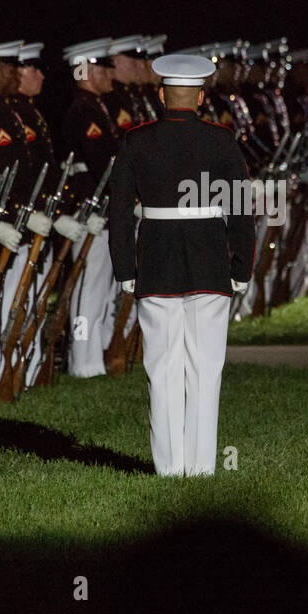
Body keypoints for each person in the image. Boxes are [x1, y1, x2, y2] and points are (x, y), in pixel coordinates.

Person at [107, 53, 256, 477]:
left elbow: (118, 213)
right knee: (206, 368)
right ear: (201, 97)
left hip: (156, 261)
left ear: (160, 95)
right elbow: (242, 211)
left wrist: (124, 269)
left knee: (162, 367)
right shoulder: (221, 140)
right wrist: (242, 267)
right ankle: (201, 466)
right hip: (209, 260)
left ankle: (169, 468)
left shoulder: (136, 141)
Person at [60, 37, 120, 378]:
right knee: (88, 289)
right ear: (85, 70)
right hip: (88, 209)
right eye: (103, 67)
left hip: (100, 208)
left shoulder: (96, 106)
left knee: (100, 287)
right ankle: (83, 360)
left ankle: (94, 354)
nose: (110, 74)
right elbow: (100, 163)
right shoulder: (84, 110)